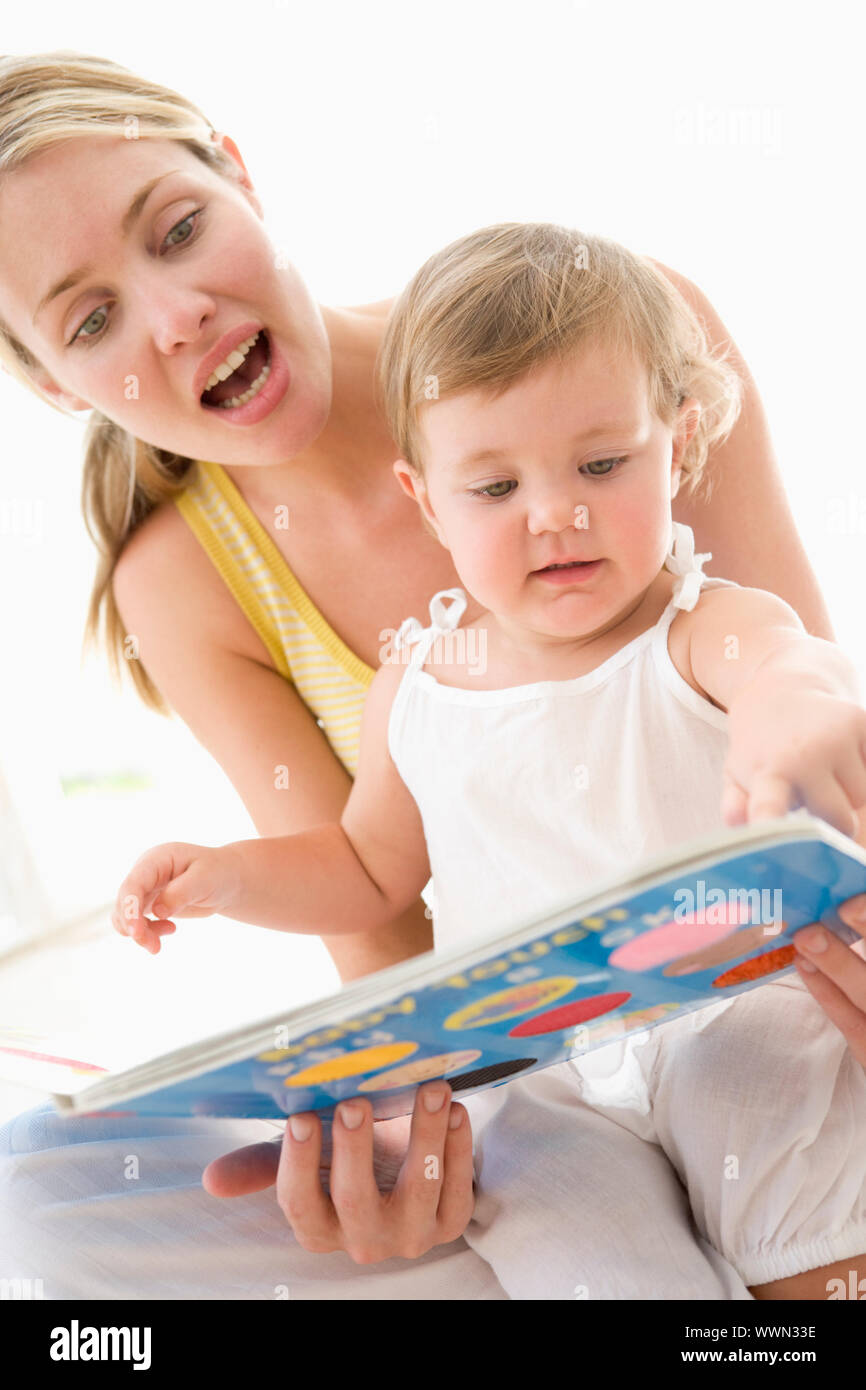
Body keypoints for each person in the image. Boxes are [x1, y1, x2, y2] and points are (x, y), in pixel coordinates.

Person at [0, 50, 864, 1300]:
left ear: (239, 177)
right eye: (90, 319)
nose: (175, 314)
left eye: (179, 229)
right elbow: (371, 906)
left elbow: (798, 694)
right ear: (48, 381)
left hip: (756, 991)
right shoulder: (219, 590)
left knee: (774, 1113)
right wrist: (389, 1132)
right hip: (541, 1082)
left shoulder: (596, 334)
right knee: (43, 1195)